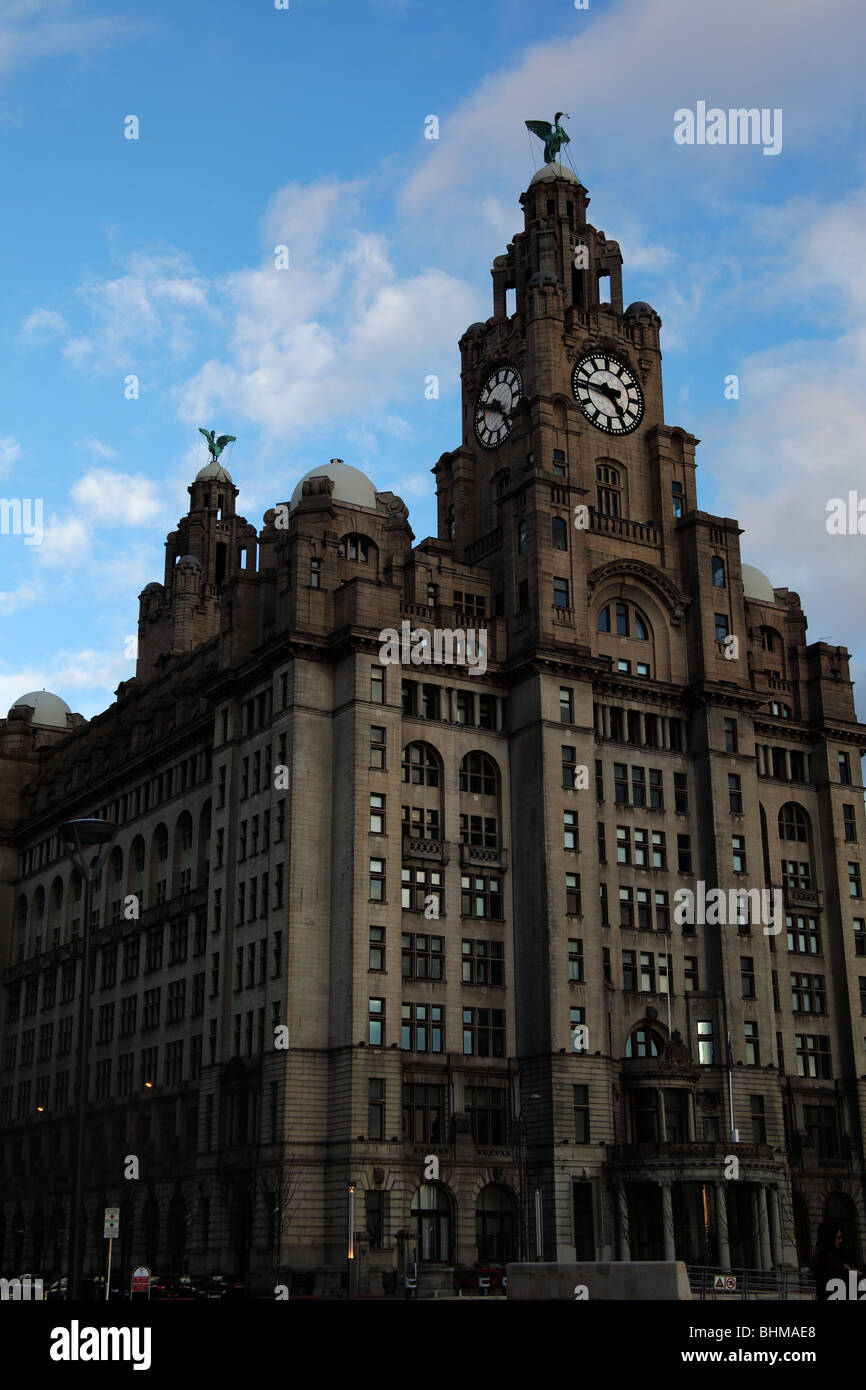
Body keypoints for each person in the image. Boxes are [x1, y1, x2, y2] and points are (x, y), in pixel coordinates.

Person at [811, 1222, 851, 1300]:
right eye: (838, 1237)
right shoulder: (827, 1260)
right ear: (830, 1238)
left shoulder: (828, 1257)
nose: (841, 1240)